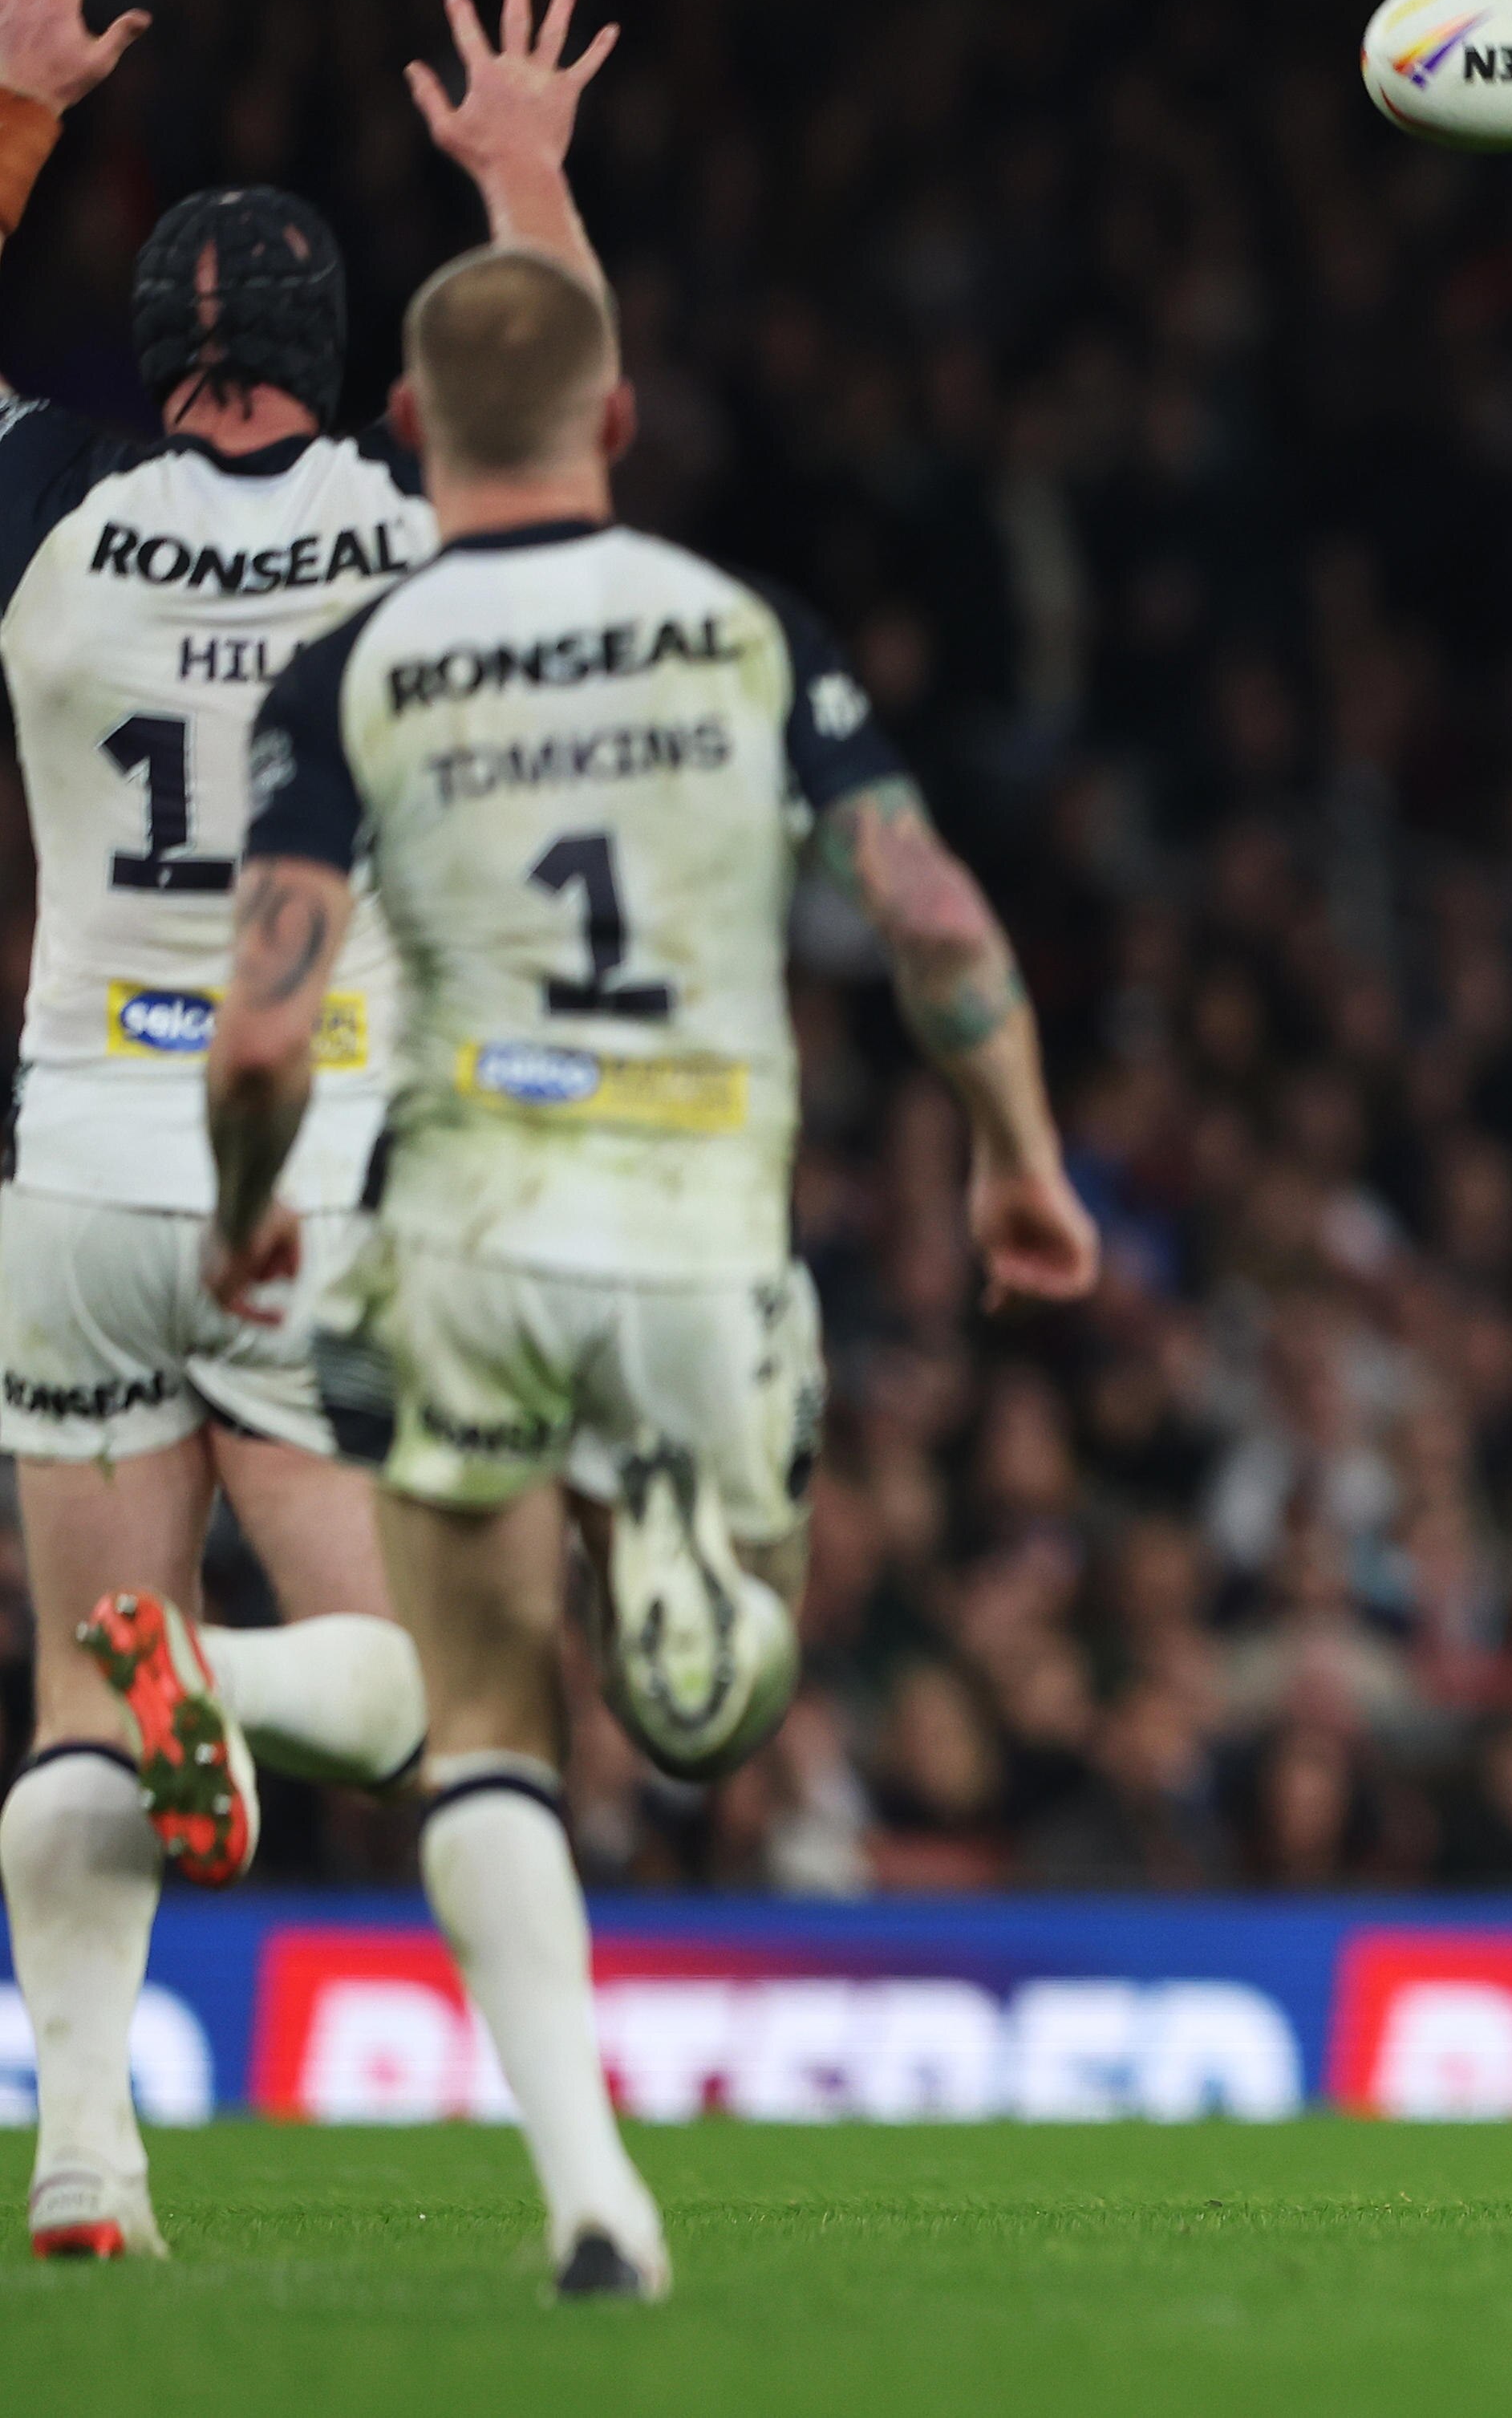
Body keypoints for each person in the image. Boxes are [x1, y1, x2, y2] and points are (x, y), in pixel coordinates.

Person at [206, 244, 1099, 2298]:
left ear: (409, 434)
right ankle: (688, 1574)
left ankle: (596, 2192)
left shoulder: (355, 654)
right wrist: (1017, 1159)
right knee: (706, 1720)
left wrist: (255, 1190)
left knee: (490, 1722)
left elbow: (263, 1027)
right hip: (703, 1231)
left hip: (469, 1229)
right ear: (616, 425)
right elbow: (939, 917)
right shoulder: (747, 632)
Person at [0, 0, 616, 2264]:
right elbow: (566, 391)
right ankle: (225, 1679)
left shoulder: (45, 511)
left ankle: (83, 2158)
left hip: (69, 1161)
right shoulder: (398, 521)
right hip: (320, 1165)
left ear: (148, 354)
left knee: (71, 1692)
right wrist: (522, 171)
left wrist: (29, 107)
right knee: (433, 1672)